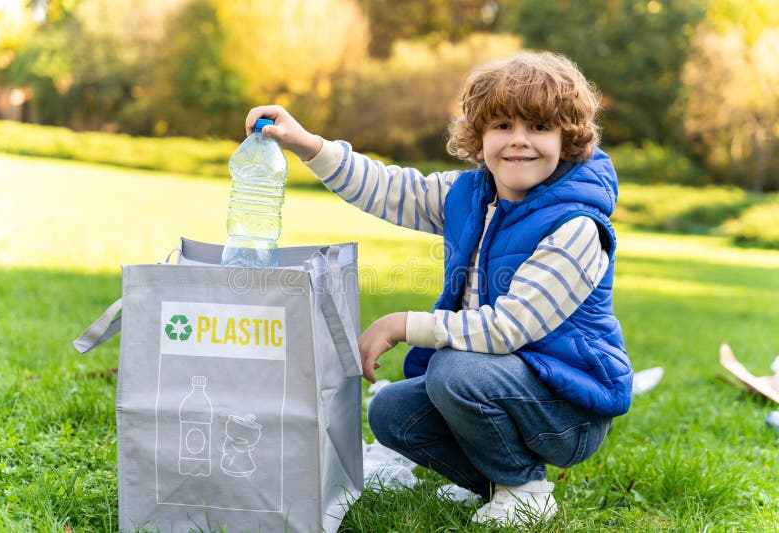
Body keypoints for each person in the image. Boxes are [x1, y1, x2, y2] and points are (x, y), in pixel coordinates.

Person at [245, 50, 633, 528]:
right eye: (502, 126)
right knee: (392, 412)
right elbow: (388, 188)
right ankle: (496, 483)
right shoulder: (471, 195)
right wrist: (306, 144)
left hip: (568, 408)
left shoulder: (576, 226)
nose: (518, 142)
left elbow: (507, 329)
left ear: (567, 139)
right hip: (504, 384)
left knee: (454, 371)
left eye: (537, 127)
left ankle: (525, 489)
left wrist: (400, 325)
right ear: (480, 136)